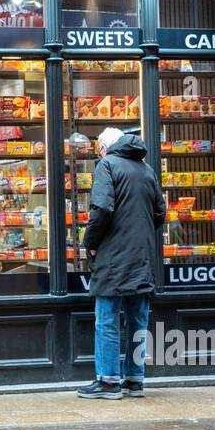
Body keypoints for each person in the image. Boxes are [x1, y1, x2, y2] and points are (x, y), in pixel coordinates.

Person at [77, 127, 166, 399]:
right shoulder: (146, 169)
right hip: (141, 256)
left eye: (99, 149)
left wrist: (89, 242)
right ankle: (135, 379)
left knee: (107, 317)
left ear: (105, 147)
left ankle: (107, 381)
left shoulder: (107, 166)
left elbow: (102, 208)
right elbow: (160, 212)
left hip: (113, 257)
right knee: (138, 317)